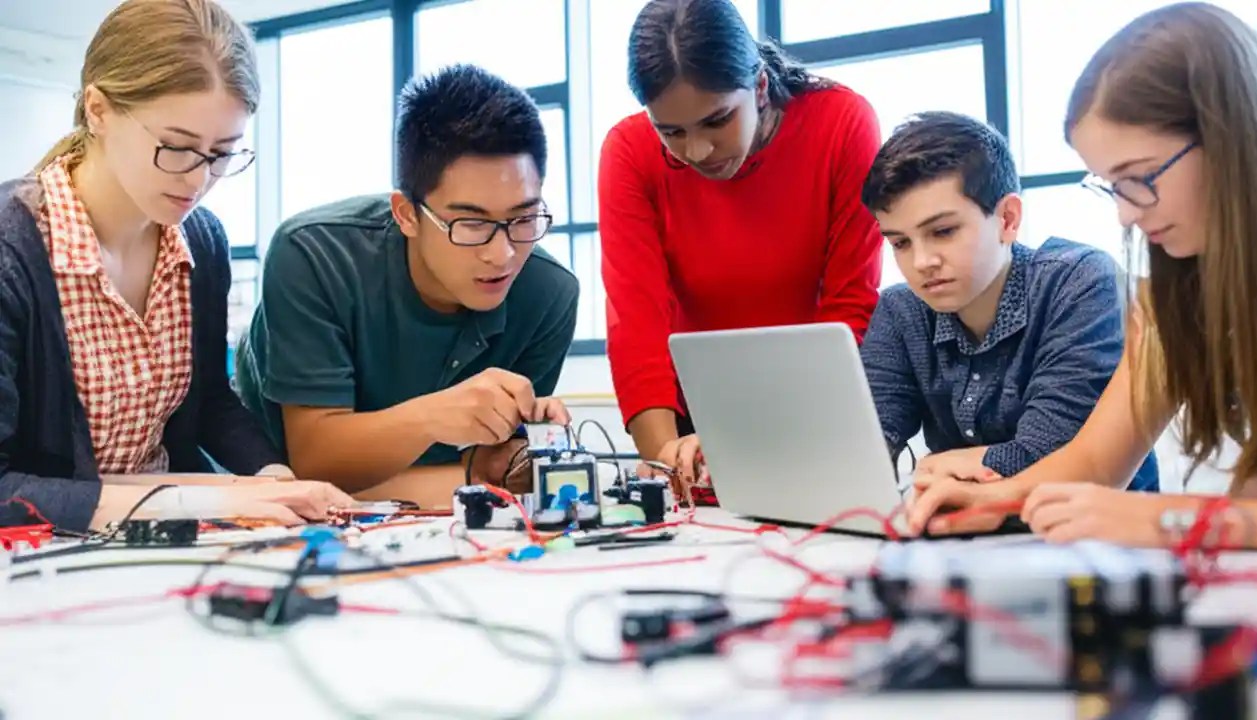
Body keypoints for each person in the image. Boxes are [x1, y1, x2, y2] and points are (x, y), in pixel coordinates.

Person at [907, 2, 1257, 548]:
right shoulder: (1168, 302)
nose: (1126, 214)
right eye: (1110, 185)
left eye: (1139, 178)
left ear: (1229, 138)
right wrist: (994, 500)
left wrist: (1162, 519)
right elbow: (1094, 461)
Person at [0, 0, 354, 531]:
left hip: (172, 535)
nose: (197, 180)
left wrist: (275, 479)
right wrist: (199, 502)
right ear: (98, 110)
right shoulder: (14, 250)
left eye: (222, 154)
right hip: (43, 553)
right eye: (177, 148)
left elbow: (208, 401)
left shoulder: (201, 241)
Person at [235, 64, 579, 510]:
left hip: (420, 501)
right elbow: (314, 458)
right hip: (267, 486)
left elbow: (483, 464)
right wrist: (435, 417)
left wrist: (520, 458)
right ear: (406, 214)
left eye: (524, 218)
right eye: (471, 224)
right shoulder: (313, 255)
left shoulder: (549, 294)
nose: (504, 253)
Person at [601, 0, 883, 483]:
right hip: (693, 425)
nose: (697, 151)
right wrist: (665, 461)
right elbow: (636, 321)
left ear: (759, 86)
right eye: (670, 131)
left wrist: (770, 438)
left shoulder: (842, 123)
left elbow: (850, 306)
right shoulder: (628, 152)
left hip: (817, 405)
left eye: (717, 120)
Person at [859, 111, 1158, 492]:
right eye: (900, 242)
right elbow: (867, 445)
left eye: (943, 231)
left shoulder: (1079, 282)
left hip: (1098, 535)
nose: (921, 263)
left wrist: (943, 463)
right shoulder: (901, 310)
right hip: (967, 534)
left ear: (1008, 219)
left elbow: (1058, 457)